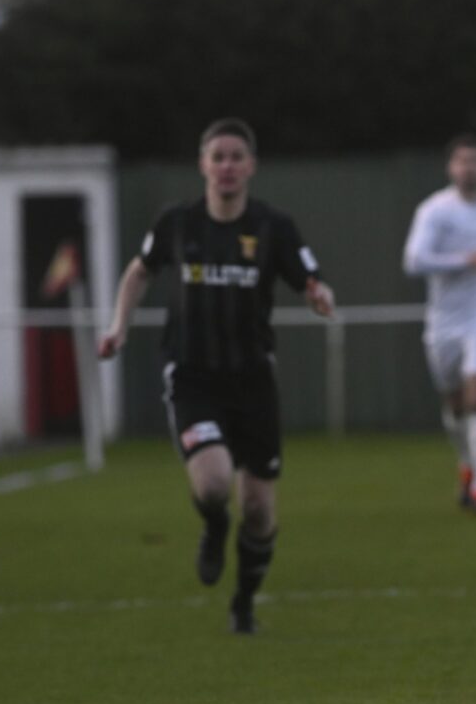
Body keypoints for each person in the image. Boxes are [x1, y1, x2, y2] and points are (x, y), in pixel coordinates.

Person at [98, 118, 335, 634]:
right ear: (203, 165)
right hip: (193, 377)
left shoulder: (274, 225)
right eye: (217, 156)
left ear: (250, 166)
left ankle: (243, 603)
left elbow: (310, 279)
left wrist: (320, 295)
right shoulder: (176, 222)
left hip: (252, 382)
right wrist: (118, 326)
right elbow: (140, 271)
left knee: (258, 510)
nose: (226, 166)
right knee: (212, 486)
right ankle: (212, 526)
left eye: (236, 157)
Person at [402, 134, 476, 514]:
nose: (469, 168)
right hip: (444, 321)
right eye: (462, 161)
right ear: (451, 167)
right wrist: (460, 261)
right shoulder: (434, 211)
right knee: (455, 404)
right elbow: (414, 261)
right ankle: (468, 463)